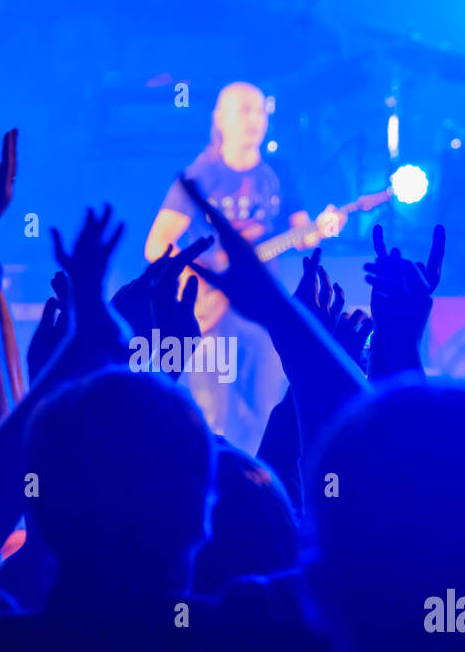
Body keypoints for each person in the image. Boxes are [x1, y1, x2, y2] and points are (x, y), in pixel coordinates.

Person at [143, 81, 343, 452]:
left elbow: (302, 234)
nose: (255, 118)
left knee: (270, 411)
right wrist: (194, 276)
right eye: (244, 110)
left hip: (264, 313)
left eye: (260, 110)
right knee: (212, 416)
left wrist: (322, 226)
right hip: (211, 312)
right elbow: (156, 245)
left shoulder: (278, 172)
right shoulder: (199, 176)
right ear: (220, 119)